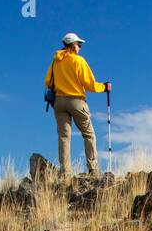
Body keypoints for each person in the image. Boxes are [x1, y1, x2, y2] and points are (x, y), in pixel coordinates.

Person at [44, 33, 111, 176]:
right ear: (72, 45)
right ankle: (93, 169)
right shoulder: (78, 61)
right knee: (89, 134)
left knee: (64, 137)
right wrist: (104, 87)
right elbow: (90, 85)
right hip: (76, 101)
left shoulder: (56, 61)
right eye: (78, 44)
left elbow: (48, 81)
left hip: (59, 102)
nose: (80, 47)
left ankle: (65, 172)